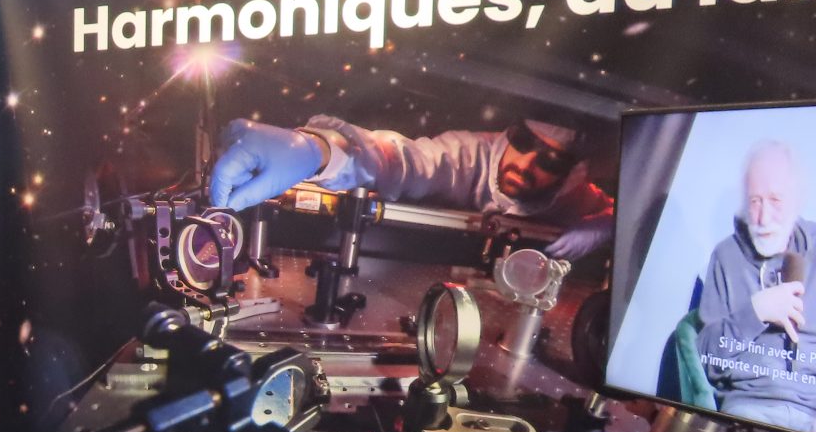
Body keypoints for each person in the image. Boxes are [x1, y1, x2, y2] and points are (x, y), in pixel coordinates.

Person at [207, 113, 615, 259]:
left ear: (572, 172)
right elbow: (400, 159)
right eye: (523, 143)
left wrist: (608, 225)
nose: (526, 165)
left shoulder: (576, 195)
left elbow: (623, 210)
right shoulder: (468, 153)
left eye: (550, 162)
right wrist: (318, 150)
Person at [696, 140, 816, 432]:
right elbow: (704, 360)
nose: (763, 218)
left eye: (775, 200)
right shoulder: (726, 255)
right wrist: (756, 311)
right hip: (750, 410)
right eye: (754, 201)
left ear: (796, 200)